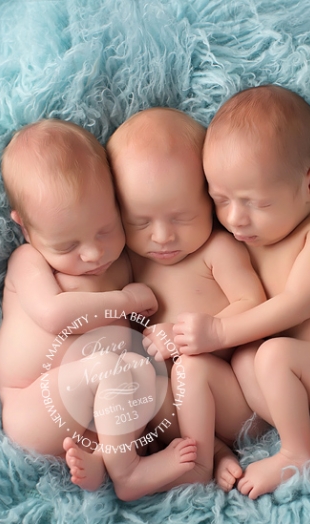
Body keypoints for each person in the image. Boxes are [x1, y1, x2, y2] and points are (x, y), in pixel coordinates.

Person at [173, 85, 310, 499]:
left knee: (272, 354)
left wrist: (218, 331)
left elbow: (297, 305)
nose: (235, 218)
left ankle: (296, 454)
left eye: (256, 203)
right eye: (220, 200)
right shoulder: (249, 235)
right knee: (247, 358)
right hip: (299, 379)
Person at [64, 107, 267, 492]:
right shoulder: (130, 260)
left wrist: (195, 334)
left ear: (209, 200)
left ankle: (202, 463)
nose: (161, 237)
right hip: (171, 417)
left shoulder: (217, 251)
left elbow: (255, 306)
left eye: (182, 217)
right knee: (130, 371)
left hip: (229, 397)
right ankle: (117, 457)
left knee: (190, 368)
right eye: (140, 222)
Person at [0, 118, 197, 502]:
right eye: (67, 245)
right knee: (108, 366)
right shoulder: (29, 262)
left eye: (105, 230)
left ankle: (105, 458)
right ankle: (129, 474)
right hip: (33, 408)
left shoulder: (120, 264)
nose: (93, 253)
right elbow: (54, 315)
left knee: (139, 369)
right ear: (26, 228)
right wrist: (125, 302)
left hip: (95, 411)